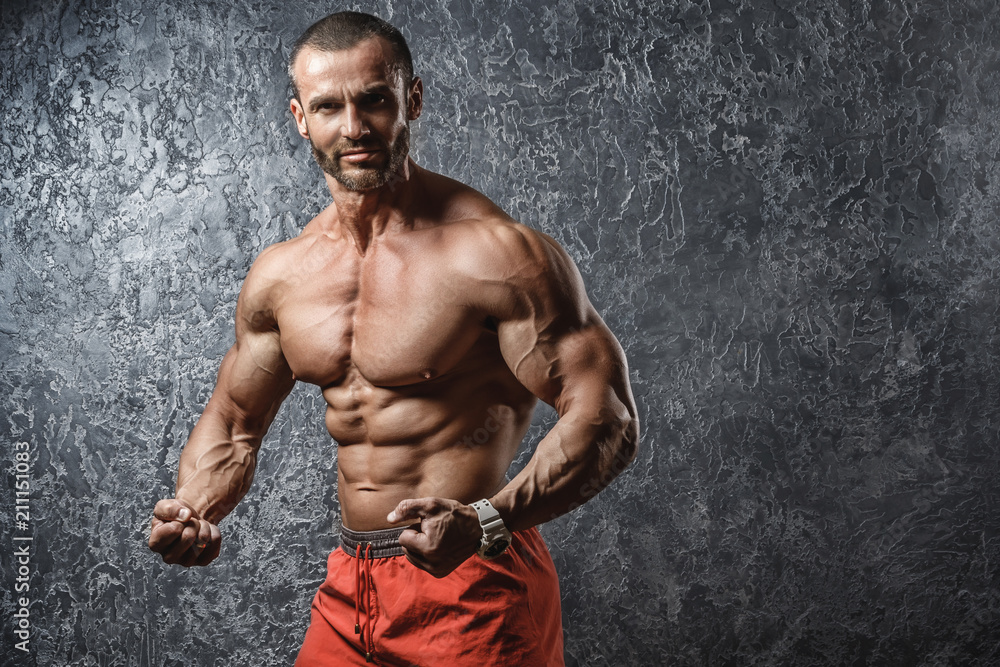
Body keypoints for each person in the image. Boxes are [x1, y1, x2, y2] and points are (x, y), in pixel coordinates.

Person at [148, 11, 639, 666]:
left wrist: (489, 520)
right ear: (300, 118)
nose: (353, 127)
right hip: (352, 586)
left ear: (412, 99)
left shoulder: (495, 254)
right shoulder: (282, 276)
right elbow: (234, 424)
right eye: (329, 106)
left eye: (374, 100)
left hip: (474, 582)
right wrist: (192, 508)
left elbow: (607, 414)